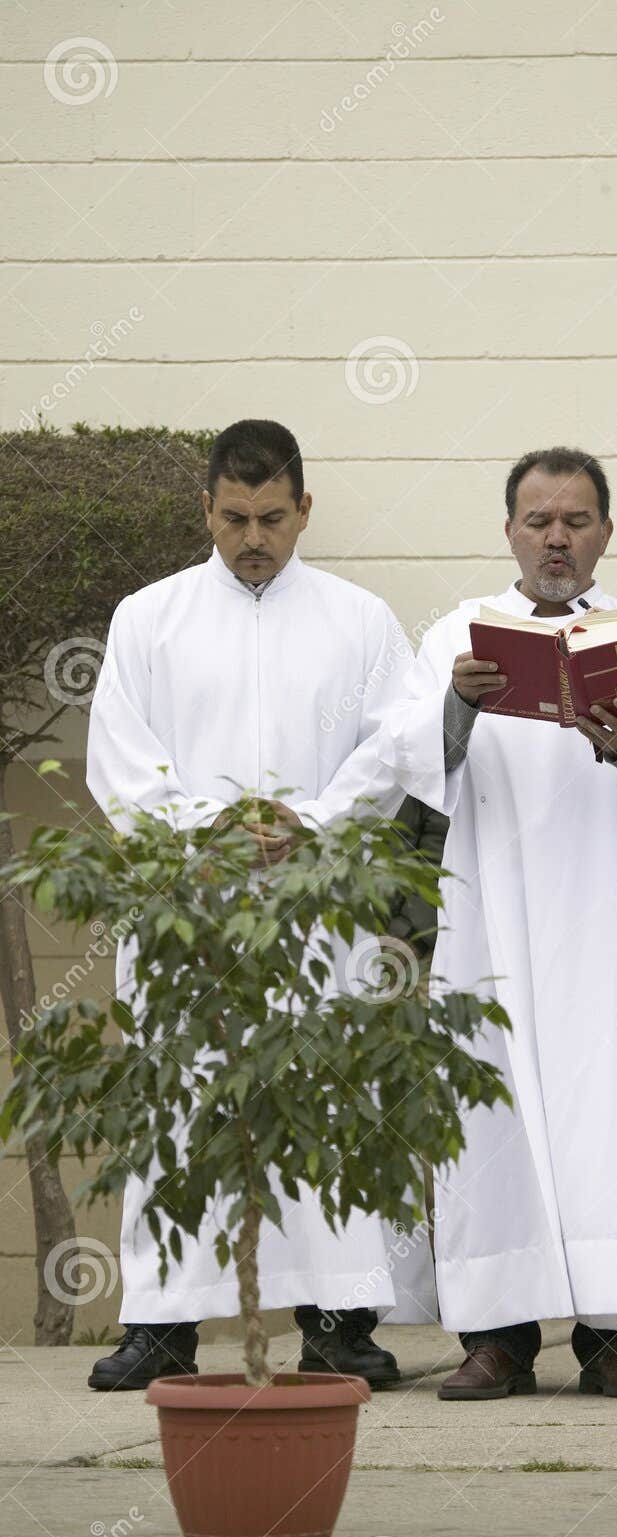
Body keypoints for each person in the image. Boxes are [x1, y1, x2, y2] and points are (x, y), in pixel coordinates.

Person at [85, 418, 434, 1391]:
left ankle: (338, 1320)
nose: (253, 536)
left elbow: (395, 744)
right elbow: (123, 761)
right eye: (234, 517)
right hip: (187, 910)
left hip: (319, 905)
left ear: (303, 509)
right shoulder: (146, 619)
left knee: (324, 1098)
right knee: (179, 1104)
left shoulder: (359, 620)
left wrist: (310, 825)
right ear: (205, 508)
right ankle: (160, 1323)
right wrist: (218, 830)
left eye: (272, 517)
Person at [378, 447, 617, 1400]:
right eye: (539, 521)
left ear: (606, 533)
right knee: (491, 1114)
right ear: (510, 532)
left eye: (576, 521)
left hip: (615, 921)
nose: (557, 538)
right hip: (489, 913)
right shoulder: (457, 632)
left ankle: (615, 1337)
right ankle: (496, 1336)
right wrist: (457, 701)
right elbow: (402, 754)